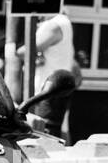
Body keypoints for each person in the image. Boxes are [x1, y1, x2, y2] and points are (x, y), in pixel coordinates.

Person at [20, 11, 79, 140]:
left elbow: (27, 51)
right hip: (59, 87)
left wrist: (14, 49)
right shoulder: (65, 23)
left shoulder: (53, 25)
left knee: (44, 132)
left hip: (48, 91)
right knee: (61, 129)